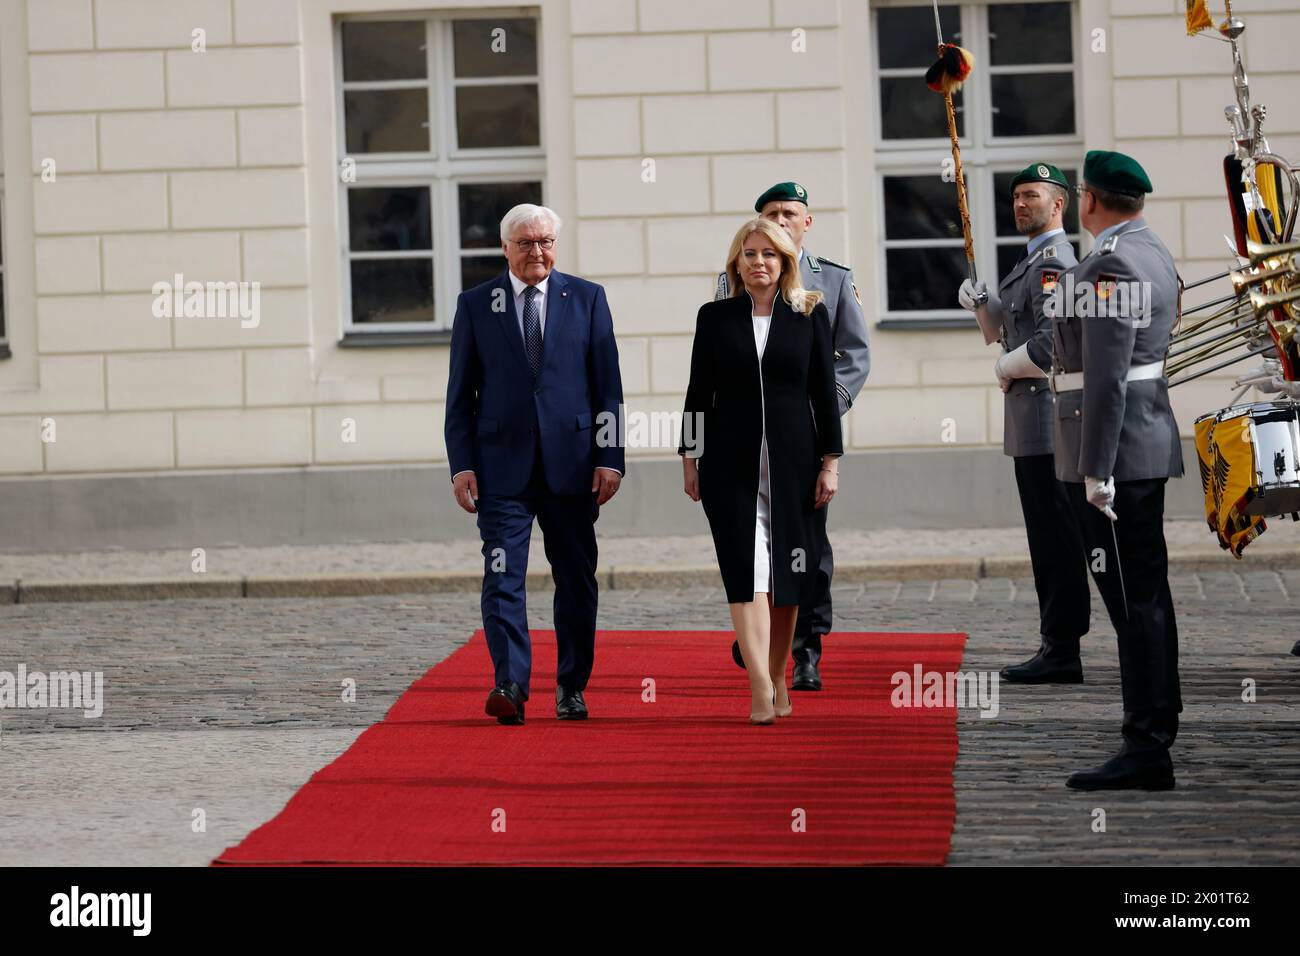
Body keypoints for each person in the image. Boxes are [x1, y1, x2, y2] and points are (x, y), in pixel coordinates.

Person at [444, 203, 625, 726]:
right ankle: (510, 683)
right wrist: (462, 465)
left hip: (573, 467)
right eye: (525, 243)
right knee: (502, 576)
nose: (537, 252)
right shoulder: (477, 305)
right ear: (505, 249)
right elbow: (460, 396)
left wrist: (610, 458)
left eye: (545, 241)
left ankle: (571, 685)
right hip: (501, 470)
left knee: (575, 578)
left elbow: (608, 389)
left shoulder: (587, 299)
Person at [1049, 150, 1183, 790]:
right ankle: (1155, 727)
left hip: (1116, 454)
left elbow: (1105, 378)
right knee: (1146, 598)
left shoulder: (1111, 262)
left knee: (1133, 605)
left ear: (1090, 200)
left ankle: (1147, 747)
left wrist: (1094, 467)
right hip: (1142, 444)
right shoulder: (1152, 249)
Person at [682, 218, 843, 724]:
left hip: (795, 464)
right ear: (737, 263)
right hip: (728, 465)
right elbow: (697, 393)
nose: (759, 262)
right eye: (749, 254)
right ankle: (756, 681)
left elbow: (824, 394)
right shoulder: (715, 318)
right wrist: (690, 458)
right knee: (745, 571)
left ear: (785, 261)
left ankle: (779, 674)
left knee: (789, 573)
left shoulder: (808, 315)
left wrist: (830, 462)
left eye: (769, 254)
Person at [715, 182, 870, 691]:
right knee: (752, 547)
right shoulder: (733, 278)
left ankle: (805, 649)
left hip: (803, 437)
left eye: (791, 213)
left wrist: (822, 417)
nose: (781, 220)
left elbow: (852, 357)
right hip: (747, 440)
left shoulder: (833, 281)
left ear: (807, 222)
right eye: (772, 213)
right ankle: (762, 641)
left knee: (808, 548)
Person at [957, 164, 1091, 683]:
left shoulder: (1056, 262)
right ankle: (1056, 643)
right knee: (1045, 534)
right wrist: (983, 304)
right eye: (1015, 197)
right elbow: (1005, 331)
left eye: (1031, 196)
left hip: (1049, 418)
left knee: (1056, 537)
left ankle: (1063, 649)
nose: (1020, 205)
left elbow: (1053, 342)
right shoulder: (1032, 260)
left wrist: (1005, 366)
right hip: (1031, 422)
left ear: (1059, 204)